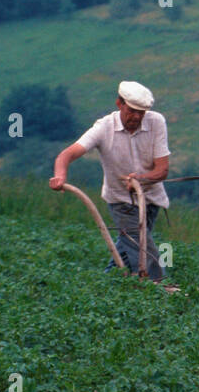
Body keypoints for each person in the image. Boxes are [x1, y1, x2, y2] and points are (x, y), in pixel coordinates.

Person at [50, 81, 171, 282]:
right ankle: (157, 287)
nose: (136, 117)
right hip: (120, 200)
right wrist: (59, 176)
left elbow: (162, 170)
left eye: (141, 112)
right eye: (132, 111)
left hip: (151, 199)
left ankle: (107, 283)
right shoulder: (103, 127)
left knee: (128, 246)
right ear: (119, 104)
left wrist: (139, 180)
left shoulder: (157, 122)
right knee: (144, 249)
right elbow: (66, 155)